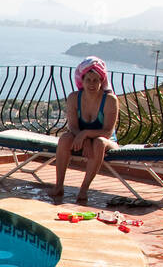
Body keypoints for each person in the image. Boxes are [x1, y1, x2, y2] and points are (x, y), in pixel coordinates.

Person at [49, 56, 119, 205]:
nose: (92, 84)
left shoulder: (110, 100)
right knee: (65, 138)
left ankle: (83, 189)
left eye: (96, 80)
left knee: (99, 143)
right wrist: (84, 139)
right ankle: (58, 186)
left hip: (106, 141)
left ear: (102, 81)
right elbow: (73, 127)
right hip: (80, 137)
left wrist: (85, 134)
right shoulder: (74, 98)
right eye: (88, 80)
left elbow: (107, 132)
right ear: (82, 81)